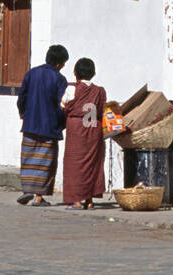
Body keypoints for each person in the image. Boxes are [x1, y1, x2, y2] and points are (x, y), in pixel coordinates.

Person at [16, 44, 69, 206]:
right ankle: (39, 197)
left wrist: (24, 114)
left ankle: (27, 191)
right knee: (45, 162)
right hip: (49, 126)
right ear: (59, 63)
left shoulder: (31, 74)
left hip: (30, 124)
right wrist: (62, 124)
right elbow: (63, 105)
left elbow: (21, 99)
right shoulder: (59, 79)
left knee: (28, 159)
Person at [60, 58, 107, 210]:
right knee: (92, 164)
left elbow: (63, 105)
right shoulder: (99, 91)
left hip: (77, 130)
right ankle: (89, 200)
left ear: (76, 73)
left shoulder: (71, 89)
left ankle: (76, 201)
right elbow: (102, 110)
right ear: (93, 73)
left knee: (74, 165)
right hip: (94, 129)